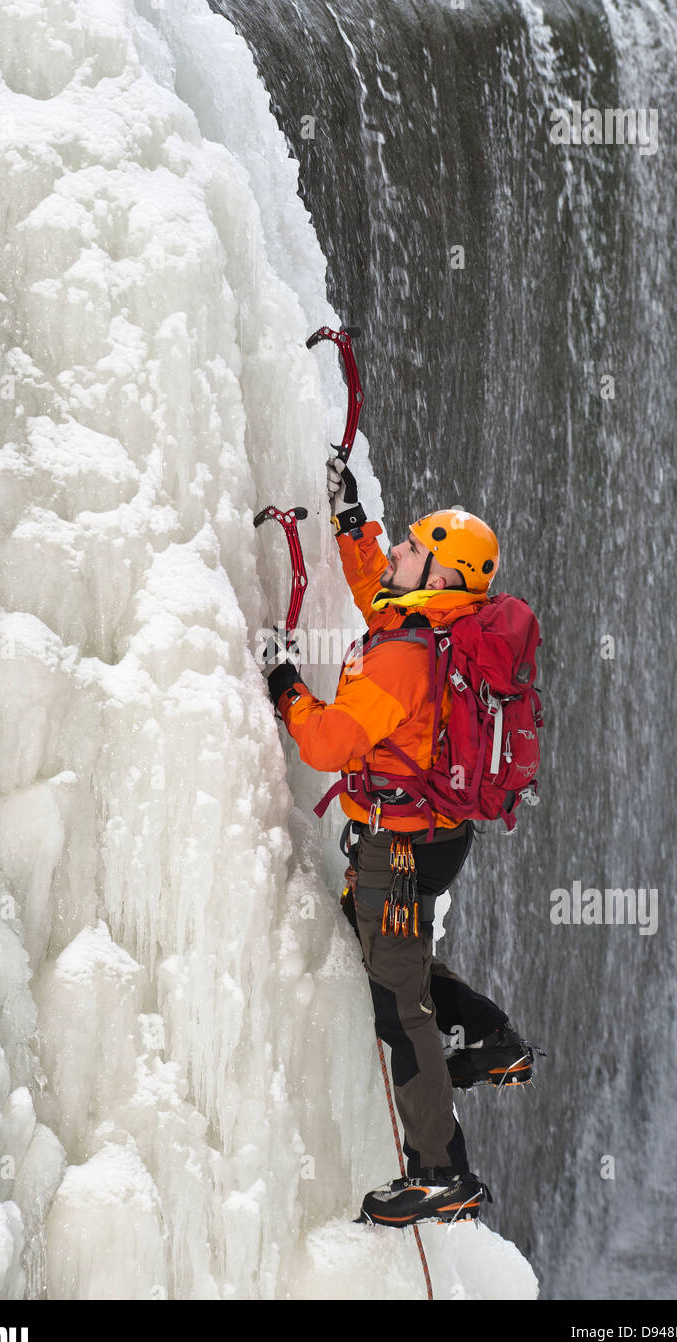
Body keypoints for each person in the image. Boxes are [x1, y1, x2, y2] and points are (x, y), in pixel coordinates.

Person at [263, 456, 534, 1229]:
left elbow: (326, 740)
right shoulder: (436, 629)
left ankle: (441, 1171)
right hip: (440, 839)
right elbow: (377, 587)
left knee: (397, 1003)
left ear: (441, 575)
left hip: (399, 847)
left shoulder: (401, 659)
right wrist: (353, 523)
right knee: (397, 950)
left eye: (413, 548)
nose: (398, 554)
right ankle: (488, 1036)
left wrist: (283, 683)